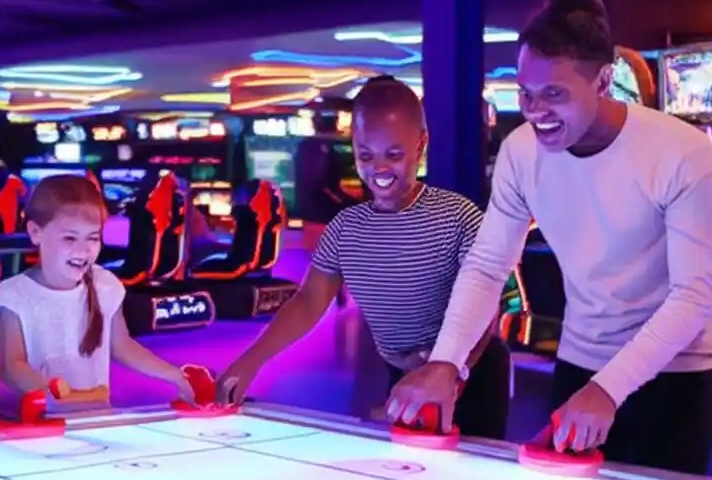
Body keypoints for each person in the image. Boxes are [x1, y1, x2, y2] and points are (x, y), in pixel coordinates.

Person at [391, 0, 712, 475]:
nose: (535, 111)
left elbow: (695, 295)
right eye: (525, 94)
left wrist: (608, 390)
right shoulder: (521, 153)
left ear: (603, 80)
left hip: (674, 373)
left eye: (554, 94)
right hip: (580, 361)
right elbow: (487, 265)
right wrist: (446, 361)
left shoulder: (682, 153)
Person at [217, 76, 511, 439]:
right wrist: (251, 360)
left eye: (394, 155)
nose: (379, 169)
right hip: (402, 374)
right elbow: (307, 302)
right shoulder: (345, 228)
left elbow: (487, 309)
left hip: (473, 373)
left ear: (421, 145)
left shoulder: (458, 217)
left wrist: (452, 372)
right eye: (366, 156)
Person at [0, 174, 194, 403]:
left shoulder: (105, 286)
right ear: (36, 232)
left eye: (92, 238)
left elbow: (122, 346)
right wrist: (56, 392)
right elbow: (11, 368)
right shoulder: (14, 296)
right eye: (70, 238)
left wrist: (175, 375)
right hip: (42, 420)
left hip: (97, 416)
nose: (83, 250)